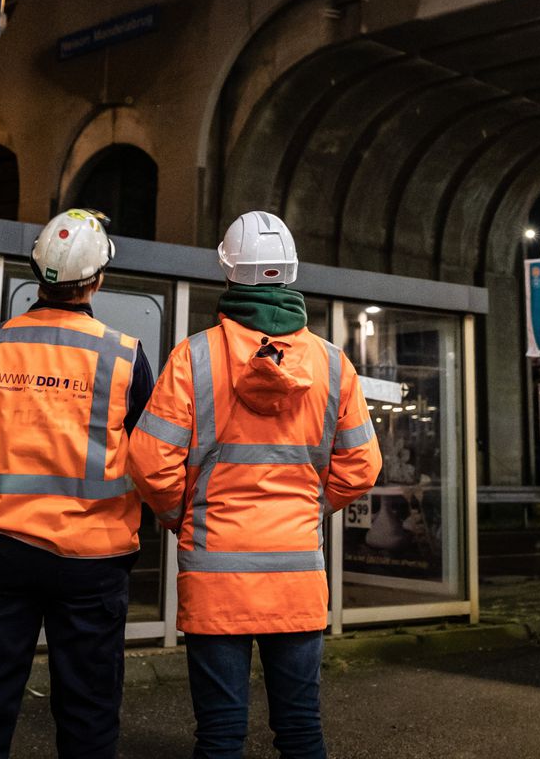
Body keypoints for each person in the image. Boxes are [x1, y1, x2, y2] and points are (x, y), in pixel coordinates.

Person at [129, 210, 381, 759]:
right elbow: (362, 465)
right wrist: (313, 508)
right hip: (296, 576)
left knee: (219, 736)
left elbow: (149, 461)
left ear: (228, 273)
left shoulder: (194, 357)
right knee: (300, 731)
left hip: (216, 575)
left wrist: (183, 515)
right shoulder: (334, 365)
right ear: (290, 274)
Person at [0, 209, 154, 759]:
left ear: (37, 272)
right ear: (98, 278)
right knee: (89, 712)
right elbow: (151, 461)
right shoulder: (124, 356)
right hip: (93, 562)